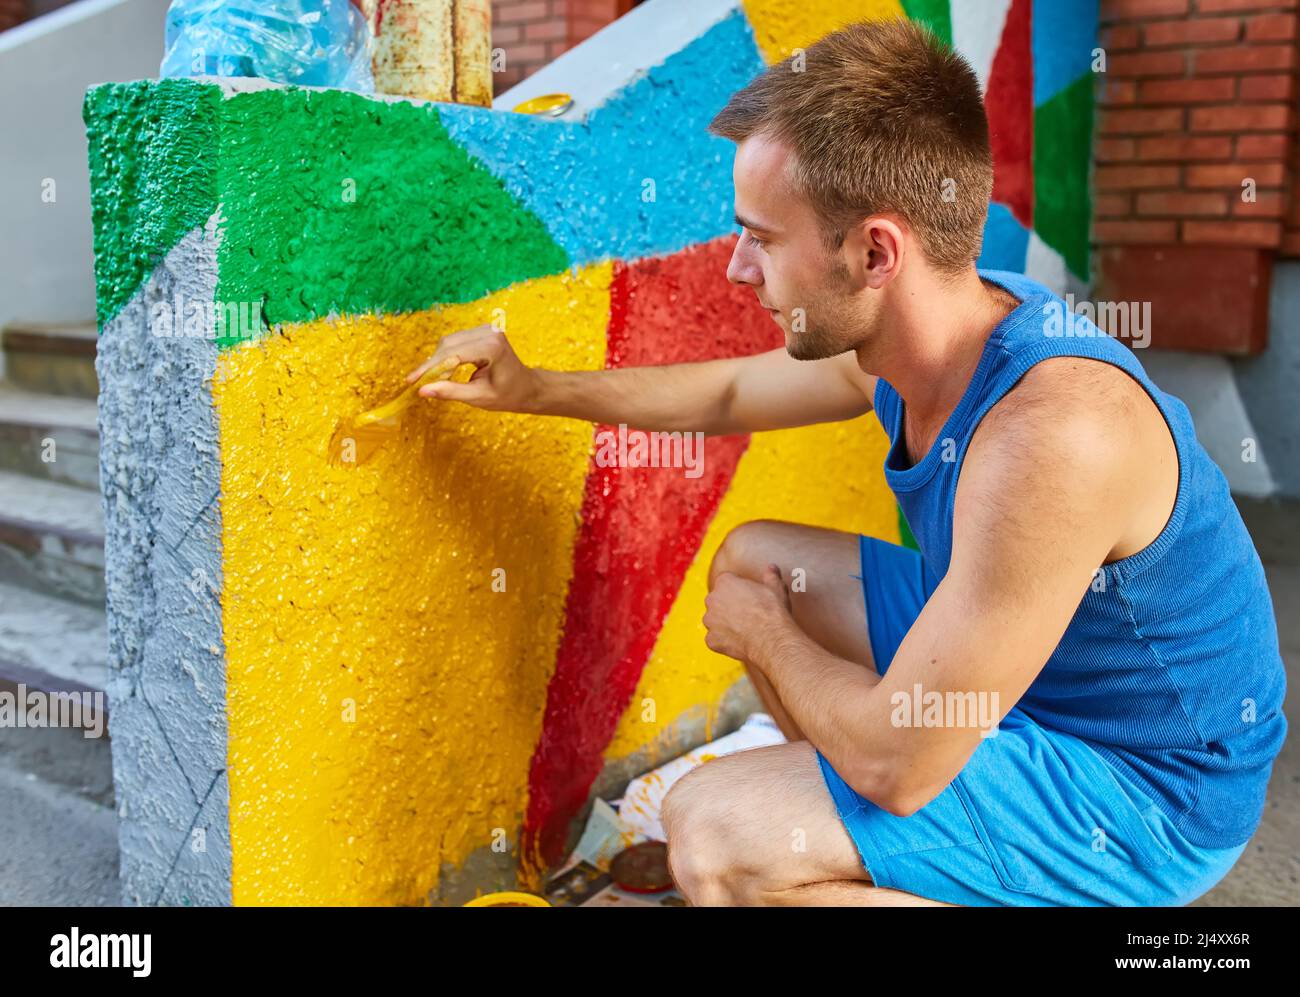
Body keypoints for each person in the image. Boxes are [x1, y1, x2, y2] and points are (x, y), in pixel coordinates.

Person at [406, 18, 1287, 906]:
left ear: (875, 252)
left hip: (1146, 792)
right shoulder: (940, 327)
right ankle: (883, 852)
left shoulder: (1050, 435)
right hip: (1041, 684)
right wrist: (532, 388)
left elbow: (896, 763)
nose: (738, 270)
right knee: (759, 563)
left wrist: (766, 641)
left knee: (717, 831)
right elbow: (726, 399)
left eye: (761, 236)